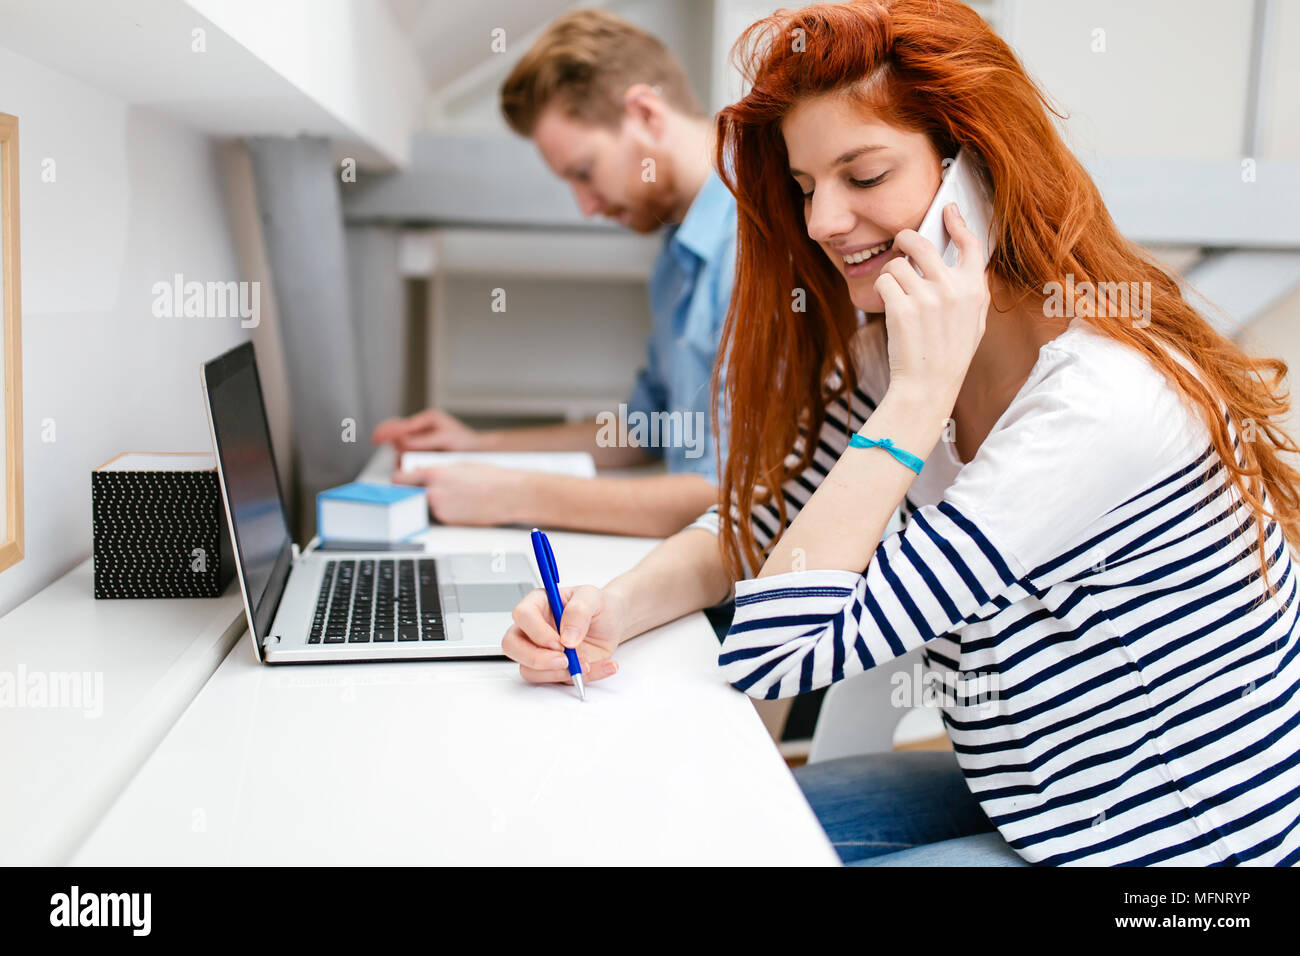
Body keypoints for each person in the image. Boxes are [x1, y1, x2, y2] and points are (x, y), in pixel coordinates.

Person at [500, 0, 1300, 866]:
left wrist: (919, 401)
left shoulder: (1095, 405)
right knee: (697, 828)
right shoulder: (894, 358)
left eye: (865, 176)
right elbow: (763, 531)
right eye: (808, 188)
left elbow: (775, 651)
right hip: (1032, 788)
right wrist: (611, 609)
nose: (821, 222)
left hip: (1186, 854)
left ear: (978, 178)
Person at [372, 9, 737, 540]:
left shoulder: (756, 242)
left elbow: (731, 497)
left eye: (584, 172)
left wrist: (513, 493)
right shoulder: (675, 254)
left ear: (645, 114)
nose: (586, 206)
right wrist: (479, 447)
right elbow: (643, 431)